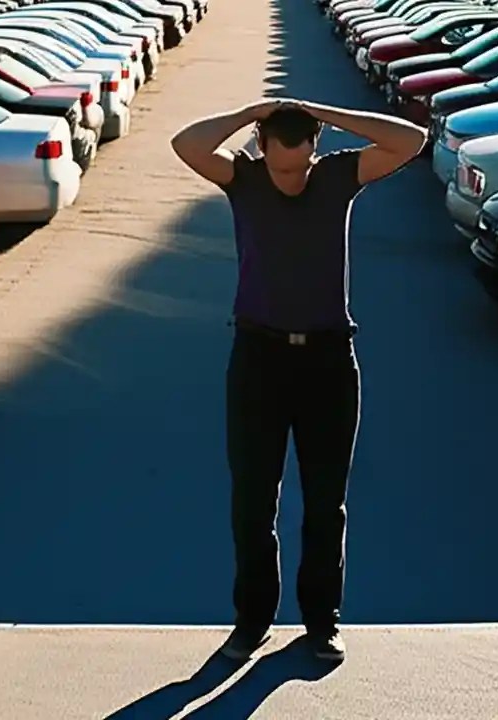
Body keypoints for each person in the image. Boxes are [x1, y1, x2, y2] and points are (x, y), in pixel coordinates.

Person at [170, 99, 425, 662]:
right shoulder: (243, 177)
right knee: (253, 502)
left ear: (315, 150)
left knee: (325, 503)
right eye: (284, 168)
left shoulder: (336, 175)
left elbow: (410, 140)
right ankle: (252, 620)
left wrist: (322, 112)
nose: (293, 179)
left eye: (302, 166)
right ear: (264, 149)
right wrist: (252, 112)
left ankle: (321, 623)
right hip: (258, 357)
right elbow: (186, 143)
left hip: (329, 363)